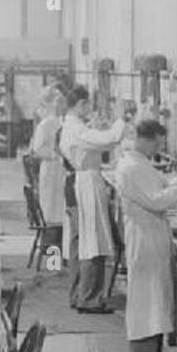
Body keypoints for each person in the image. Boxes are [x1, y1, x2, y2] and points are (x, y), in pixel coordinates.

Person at [111, 119, 177, 352]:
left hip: (151, 236)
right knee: (147, 302)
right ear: (147, 139)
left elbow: (160, 183)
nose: (158, 148)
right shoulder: (131, 166)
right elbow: (156, 200)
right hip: (145, 239)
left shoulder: (138, 163)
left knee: (157, 301)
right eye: (158, 143)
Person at [58, 86, 127, 312]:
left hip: (86, 180)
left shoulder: (74, 126)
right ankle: (89, 298)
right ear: (80, 105)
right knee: (93, 242)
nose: (89, 109)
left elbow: (101, 143)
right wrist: (120, 117)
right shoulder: (76, 129)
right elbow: (111, 138)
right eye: (87, 104)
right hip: (87, 184)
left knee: (86, 241)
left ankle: (81, 295)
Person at [28, 85, 67, 226]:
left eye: (63, 101)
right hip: (51, 168)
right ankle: (51, 242)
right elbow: (37, 150)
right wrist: (57, 155)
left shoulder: (62, 121)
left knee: (60, 208)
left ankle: (57, 238)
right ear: (51, 103)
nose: (62, 105)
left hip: (60, 169)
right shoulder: (45, 124)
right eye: (58, 101)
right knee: (51, 209)